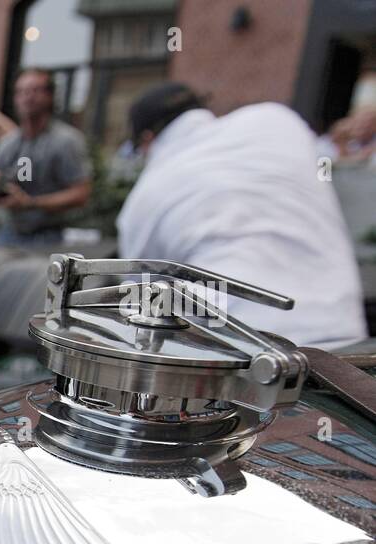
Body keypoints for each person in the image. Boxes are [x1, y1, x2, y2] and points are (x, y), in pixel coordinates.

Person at [117, 82, 366, 350]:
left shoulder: (146, 195)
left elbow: (141, 301)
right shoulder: (279, 120)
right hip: (344, 334)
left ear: (146, 140)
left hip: (245, 349)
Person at [0, 68, 91, 248]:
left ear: (49, 96)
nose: (28, 97)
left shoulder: (66, 141)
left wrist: (31, 203)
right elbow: (7, 179)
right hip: (8, 234)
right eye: (21, 91)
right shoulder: (8, 143)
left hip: (47, 237)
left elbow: (80, 194)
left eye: (35, 90)